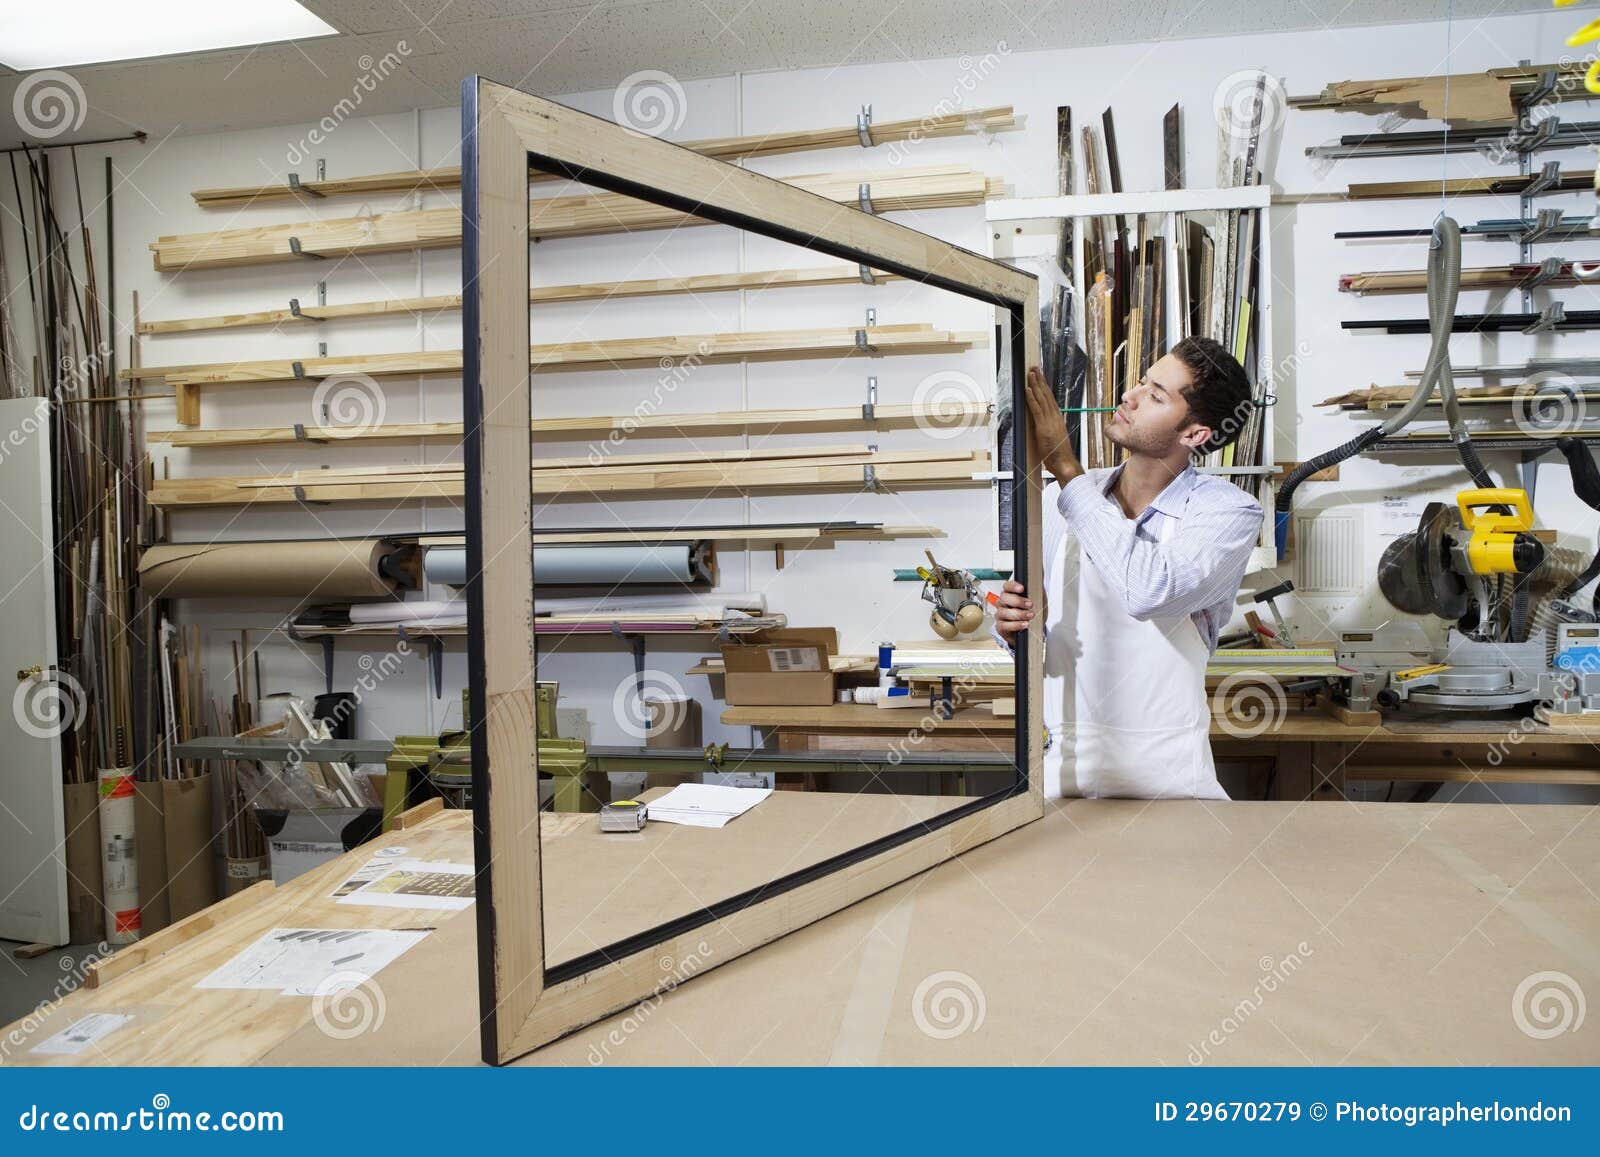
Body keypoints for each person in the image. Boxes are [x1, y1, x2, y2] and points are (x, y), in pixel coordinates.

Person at [994, 336, 1263, 800]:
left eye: (1156, 395)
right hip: (1066, 783)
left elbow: (1147, 591)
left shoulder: (1228, 514)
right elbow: (1035, 631)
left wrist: (1066, 469)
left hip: (1174, 792)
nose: (1129, 397)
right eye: (1141, 382)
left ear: (1194, 435)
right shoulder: (1059, 501)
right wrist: (1011, 627)